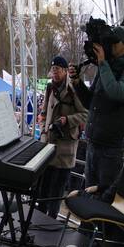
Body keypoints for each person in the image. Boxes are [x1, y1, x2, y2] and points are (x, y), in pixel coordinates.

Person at [78, 25, 124, 200]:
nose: (111, 45)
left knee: (104, 198)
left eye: (115, 42)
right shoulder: (106, 68)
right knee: (88, 195)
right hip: (92, 144)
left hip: (110, 150)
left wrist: (103, 64)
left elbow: (117, 92)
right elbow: (90, 102)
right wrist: (76, 83)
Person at [36, 55, 88, 216]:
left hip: (65, 149)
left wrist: (67, 120)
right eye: (53, 69)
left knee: (57, 193)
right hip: (48, 146)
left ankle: (51, 221)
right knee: (43, 190)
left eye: (57, 69)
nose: (54, 72)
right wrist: (43, 129)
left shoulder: (73, 89)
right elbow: (44, 112)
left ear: (65, 71)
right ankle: (39, 219)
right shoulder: (50, 88)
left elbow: (85, 114)